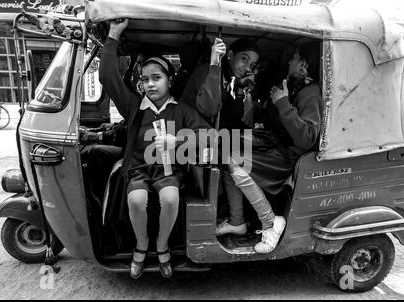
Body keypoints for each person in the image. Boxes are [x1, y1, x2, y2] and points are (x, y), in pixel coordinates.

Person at [99, 19, 211, 279]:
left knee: (170, 198)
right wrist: (114, 33)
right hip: (138, 169)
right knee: (136, 199)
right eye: (145, 79)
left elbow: (210, 135)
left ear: (169, 81)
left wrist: (177, 142)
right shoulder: (133, 106)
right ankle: (141, 243)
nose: (150, 84)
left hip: (168, 171)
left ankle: (162, 244)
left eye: (156, 78)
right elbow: (107, 76)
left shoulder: (181, 110)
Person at [224, 41, 324, 253]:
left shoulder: (311, 93)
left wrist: (282, 103)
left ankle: (270, 222)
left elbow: (306, 138)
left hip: (286, 155)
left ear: (303, 65)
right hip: (272, 143)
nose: (290, 61)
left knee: (232, 159)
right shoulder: (293, 85)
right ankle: (237, 221)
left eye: (294, 57)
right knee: (223, 148)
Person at [181, 37, 260, 237]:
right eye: (244, 60)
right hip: (191, 136)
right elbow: (209, 108)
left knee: (242, 151)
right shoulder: (208, 71)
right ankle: (238, 219)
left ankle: (237, 218)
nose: (247, 67)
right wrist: (215, 64)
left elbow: (230, 115)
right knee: (234, 158)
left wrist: (242, 91)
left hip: (211, 135)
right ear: (230, 55)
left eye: (252, 65)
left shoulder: (230, 79)